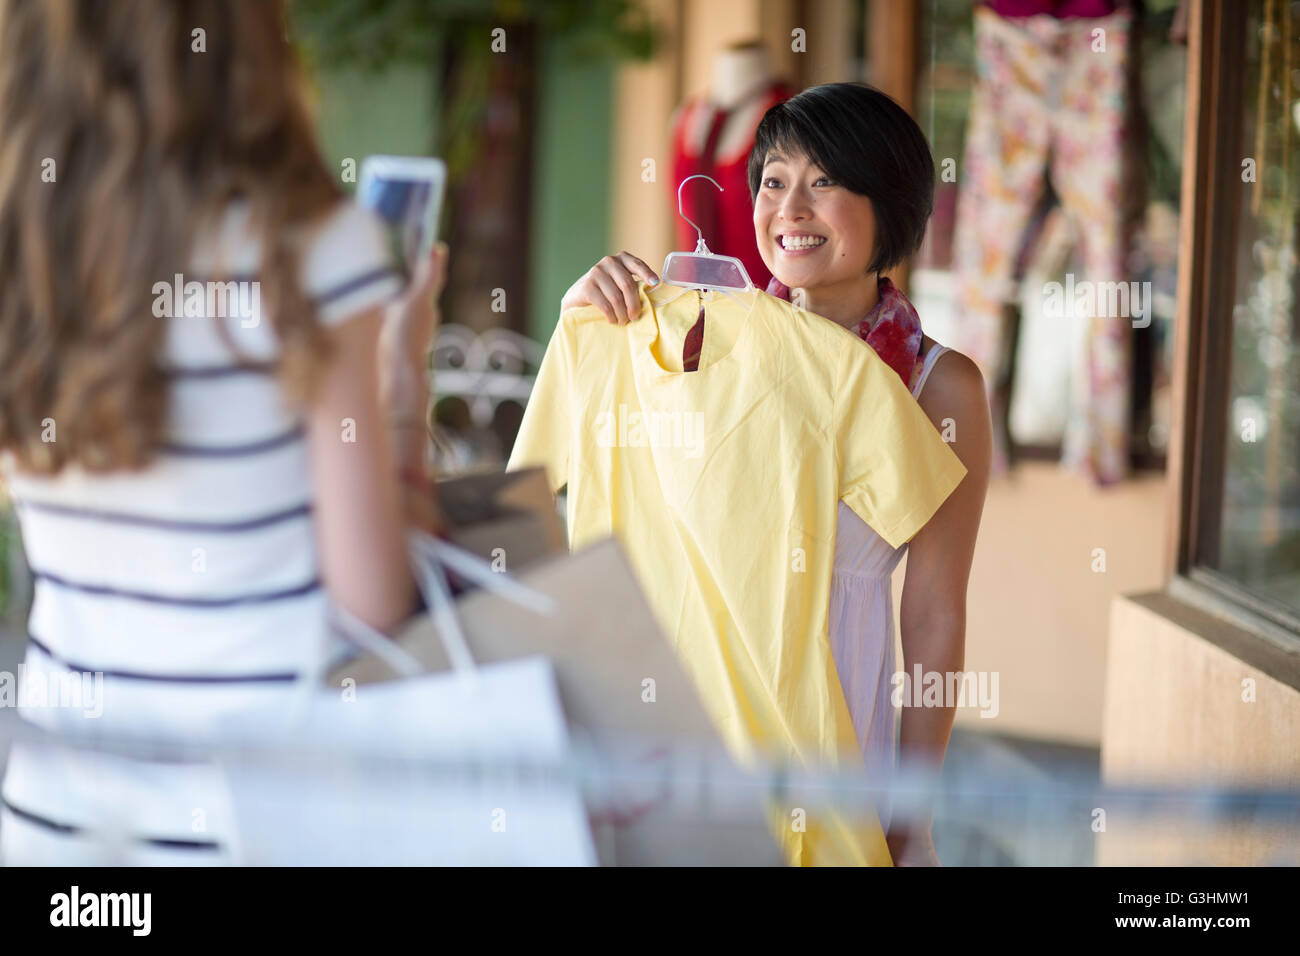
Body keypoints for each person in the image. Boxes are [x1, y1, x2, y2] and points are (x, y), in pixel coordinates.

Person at [0, 0, 445, 864]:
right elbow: (372, 604)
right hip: (262, 824)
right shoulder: (319, 250)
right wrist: (401, 371)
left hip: (55, 831)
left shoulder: (27, 261)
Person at [557, 83, 992, 865]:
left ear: (889, 202)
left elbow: (933, 614)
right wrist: (587, 315)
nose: (791, 208)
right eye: (773, 181)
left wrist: (912, 818)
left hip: (833, 732)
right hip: (689, 725)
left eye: (825, 181)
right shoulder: (695, 345)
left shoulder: (937, 385)